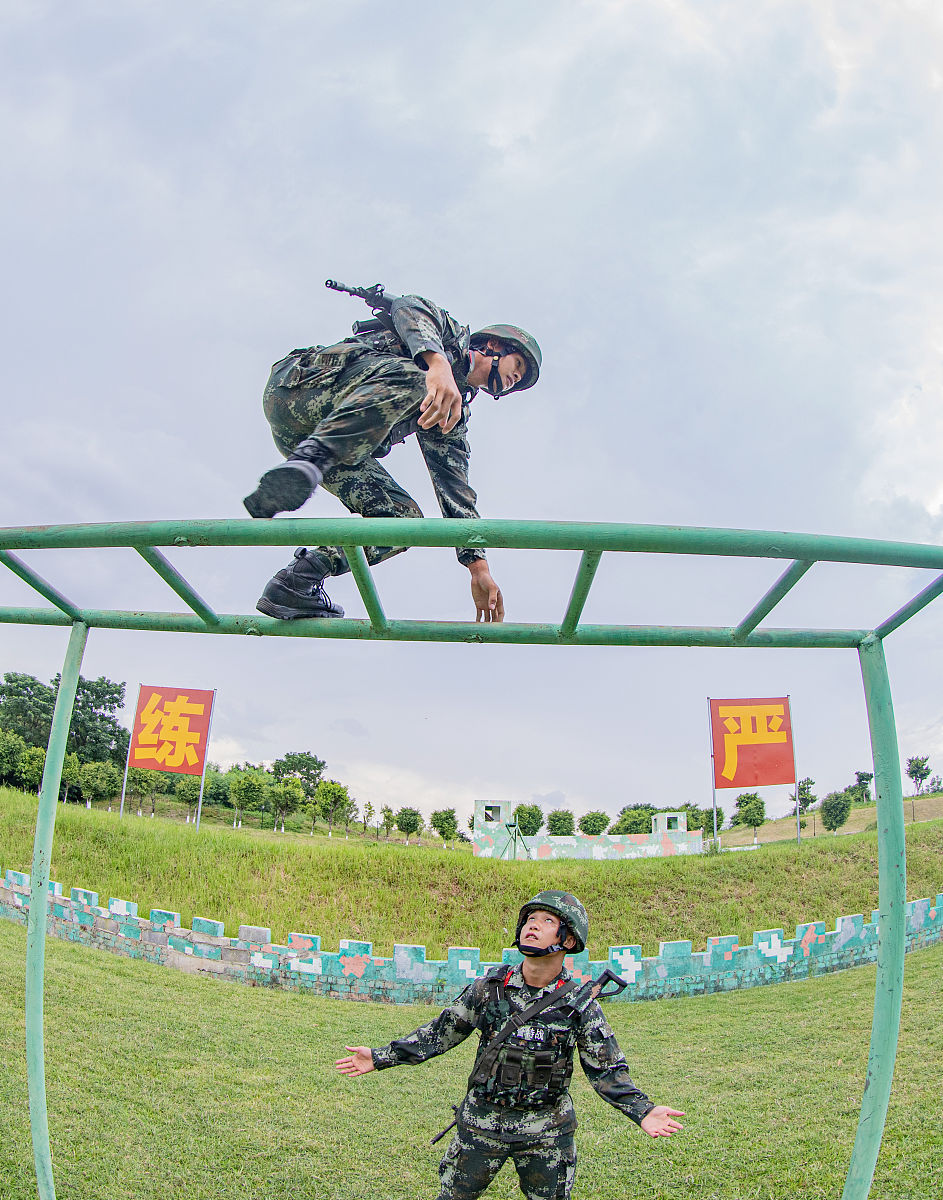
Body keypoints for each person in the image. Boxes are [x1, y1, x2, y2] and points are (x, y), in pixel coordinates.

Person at [335, 890, 684, 1200]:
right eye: (529, 919)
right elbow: (440, 1033)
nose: (532, 925)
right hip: (480, 1124)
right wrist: (380, 1057)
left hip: (547, 1132)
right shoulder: (489, 988)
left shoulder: (579, 1003)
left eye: (547, 920)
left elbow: (606, 1069)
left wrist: (643, 1110)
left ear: (567, 940)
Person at [243, 292, 541, 623]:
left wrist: (478, 567)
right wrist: (437, 363)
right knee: (422, 379)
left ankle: (295, 584)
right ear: (496, 348)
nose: (516, 380)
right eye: (519, 366)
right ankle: (309, 463)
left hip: (311, 440)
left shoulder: (451, 409)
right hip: (303, 385)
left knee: (403, 522)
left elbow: (454, 487)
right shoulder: (447, 340)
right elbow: (409, 306)